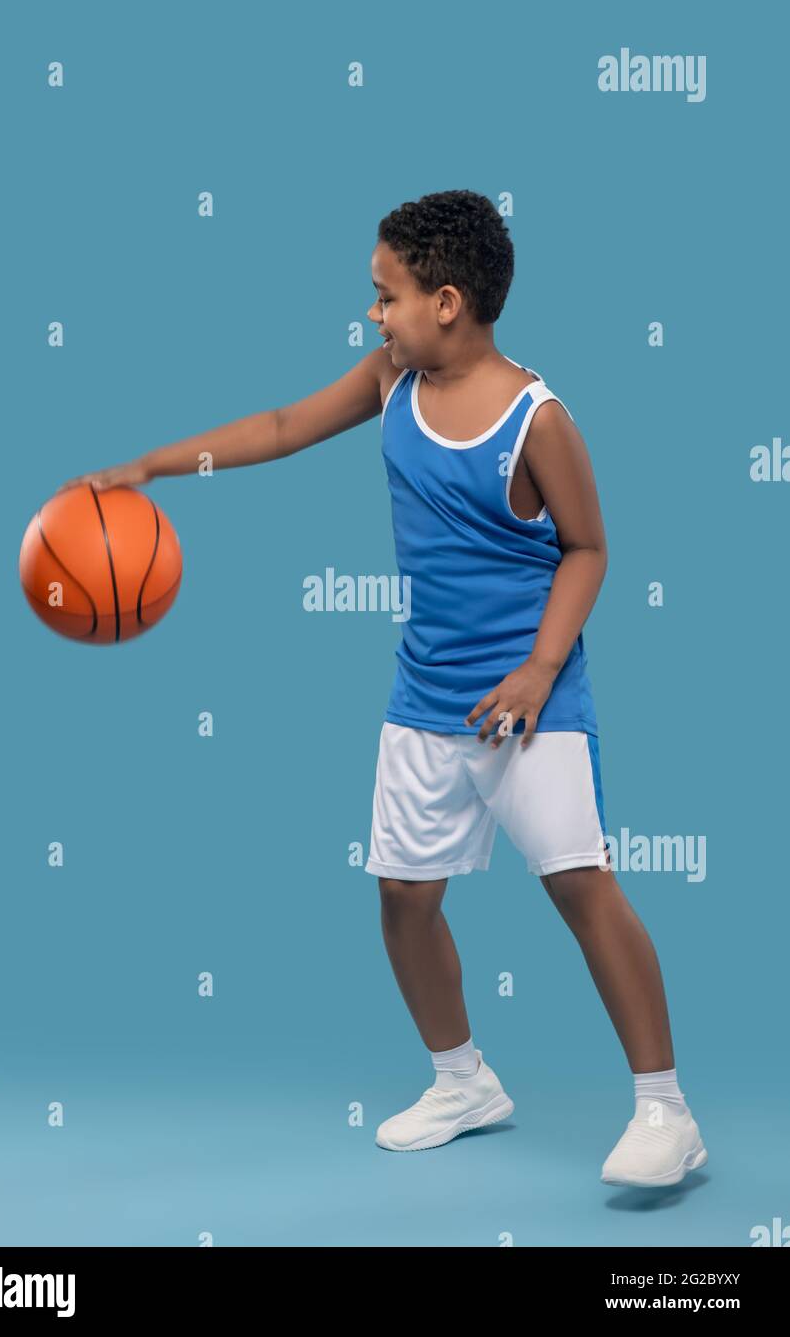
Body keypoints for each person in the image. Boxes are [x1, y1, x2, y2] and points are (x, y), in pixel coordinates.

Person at [57, 189, 707, 1188]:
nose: (373, 313)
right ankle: (462, 1081)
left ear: (445, 301)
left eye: (385, 294)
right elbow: (280, 425)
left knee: (580, 884)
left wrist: (538, 668)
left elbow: (587, 548)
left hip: (529, 704)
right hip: (424, 697)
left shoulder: (538, 421)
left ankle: (665, 1111)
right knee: (403, 896)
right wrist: (153, 466)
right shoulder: (391, 378)